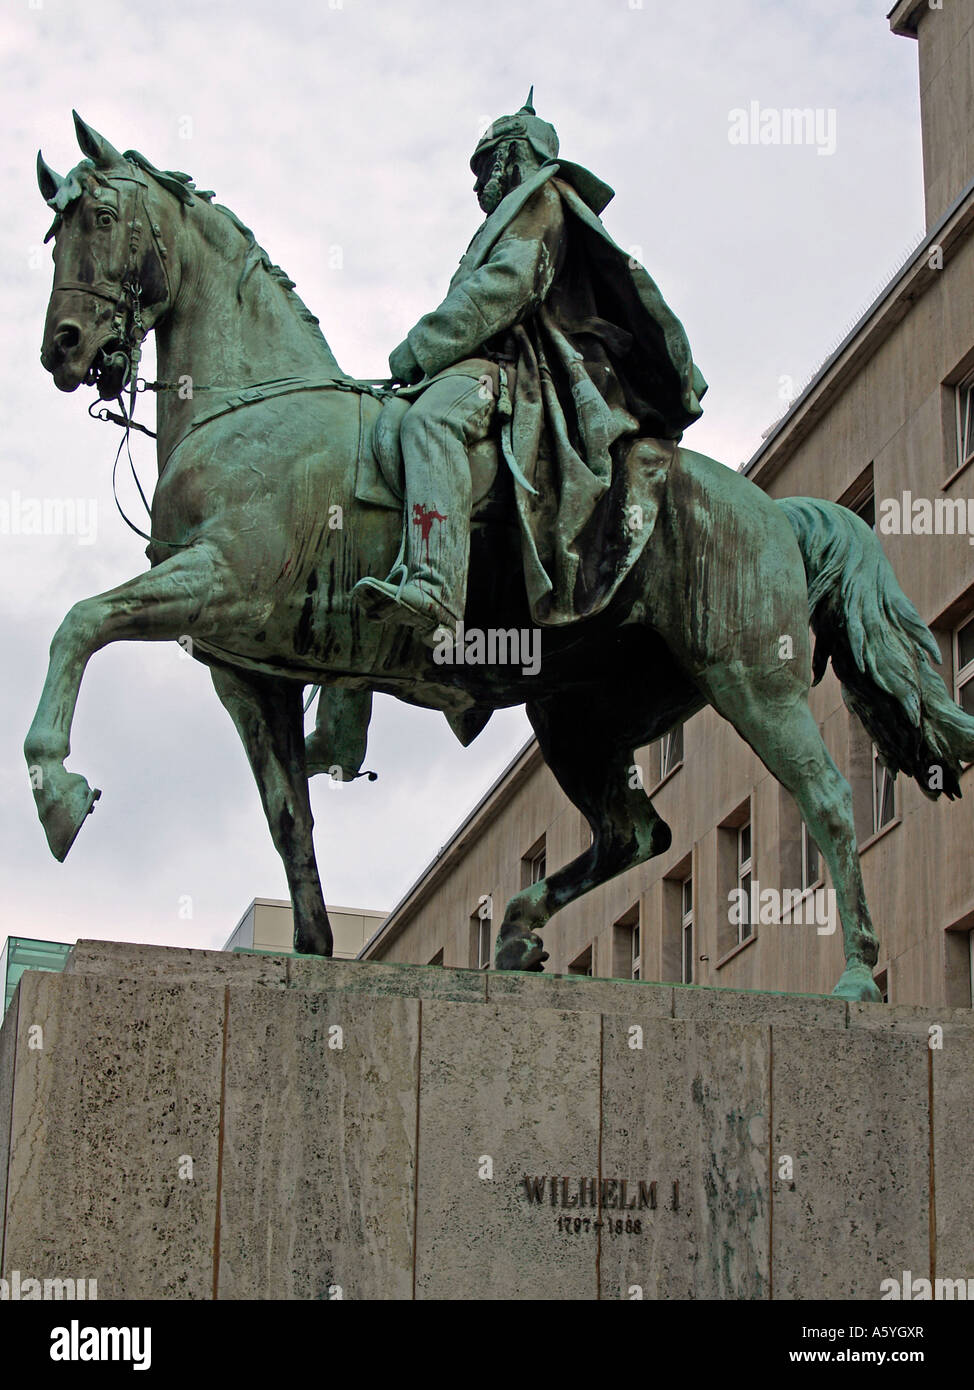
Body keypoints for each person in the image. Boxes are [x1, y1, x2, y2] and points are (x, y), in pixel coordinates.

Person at [353, 90, 707, 636]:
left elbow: (509, 286)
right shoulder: (521, 208)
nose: (477, 183)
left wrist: (423, 345)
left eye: (483, 166)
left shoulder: (540, 198)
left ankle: (434, 586)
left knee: (432, 421)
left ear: (513, 156)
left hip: (516, 373)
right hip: (487, 363)